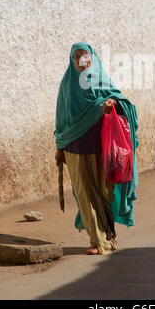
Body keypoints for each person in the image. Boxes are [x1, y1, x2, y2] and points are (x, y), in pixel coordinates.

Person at [54, 42, 139, 255]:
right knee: (85, 194)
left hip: (102, 148)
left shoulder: (102, 81)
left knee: (104, 193)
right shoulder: (67, 85)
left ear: (93, 59)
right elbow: (61, 120)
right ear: (72, 61)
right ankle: (98, 240)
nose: (82, 61)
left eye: (86, 57)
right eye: (77, 58)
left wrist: (112, 104)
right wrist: (59, 147)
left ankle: (108, 236)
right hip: (75, 148)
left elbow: (124, 104)